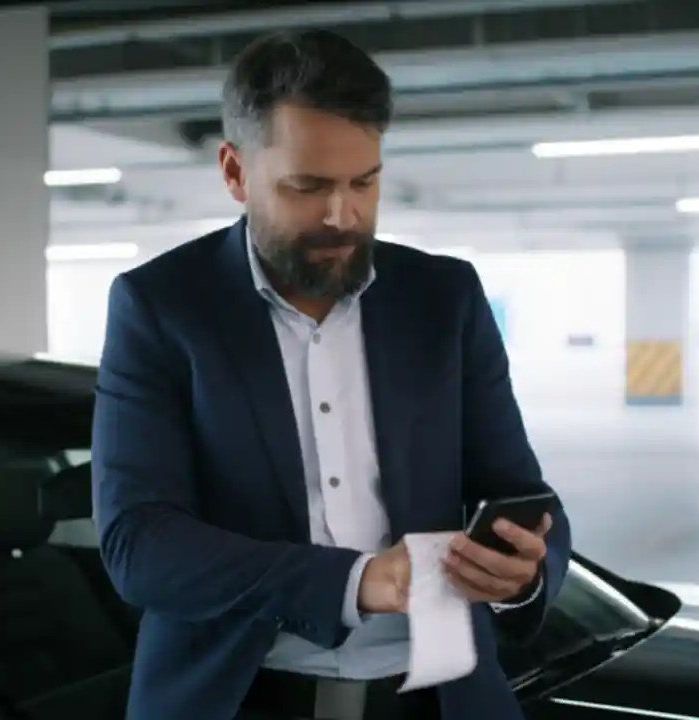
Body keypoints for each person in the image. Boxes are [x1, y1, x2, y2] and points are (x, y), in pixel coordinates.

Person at [91, 28, 572, 720]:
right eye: (307, 186)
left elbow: (523, 497)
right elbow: (140, 544)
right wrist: (354, 581)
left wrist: (524, 573)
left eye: (363, 182)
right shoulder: (161, 307)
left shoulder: (444, 298)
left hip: (437, 700)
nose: (342, 215)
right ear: (234, 172)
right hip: (239, 698)